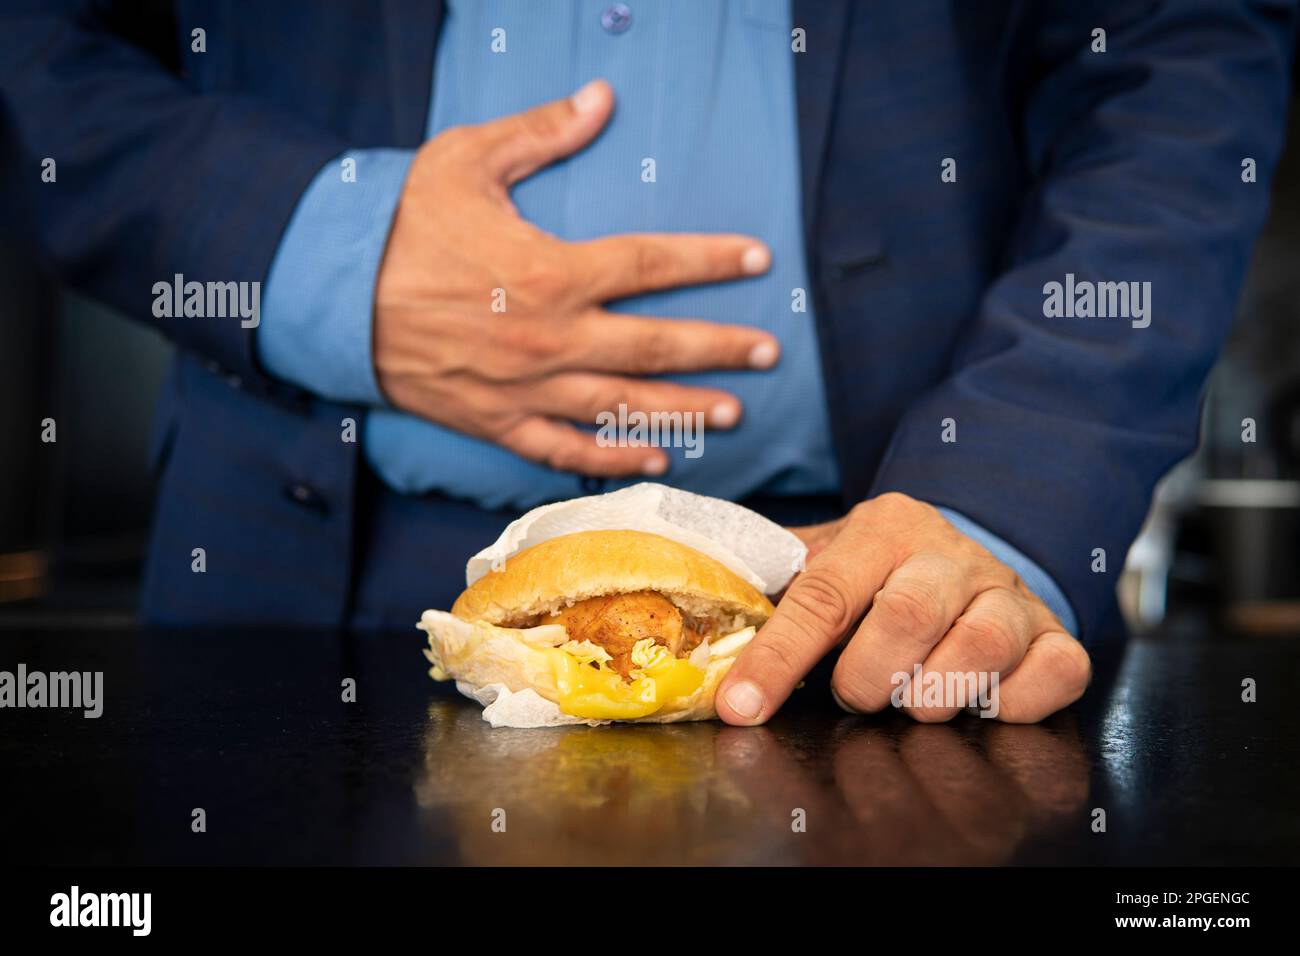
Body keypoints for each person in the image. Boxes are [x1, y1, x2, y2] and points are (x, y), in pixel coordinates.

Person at [3, 1, 1295, 724]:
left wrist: (1006, 494)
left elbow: (1182, 49)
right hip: (295, 593)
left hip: (881, 612)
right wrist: (316, 253)